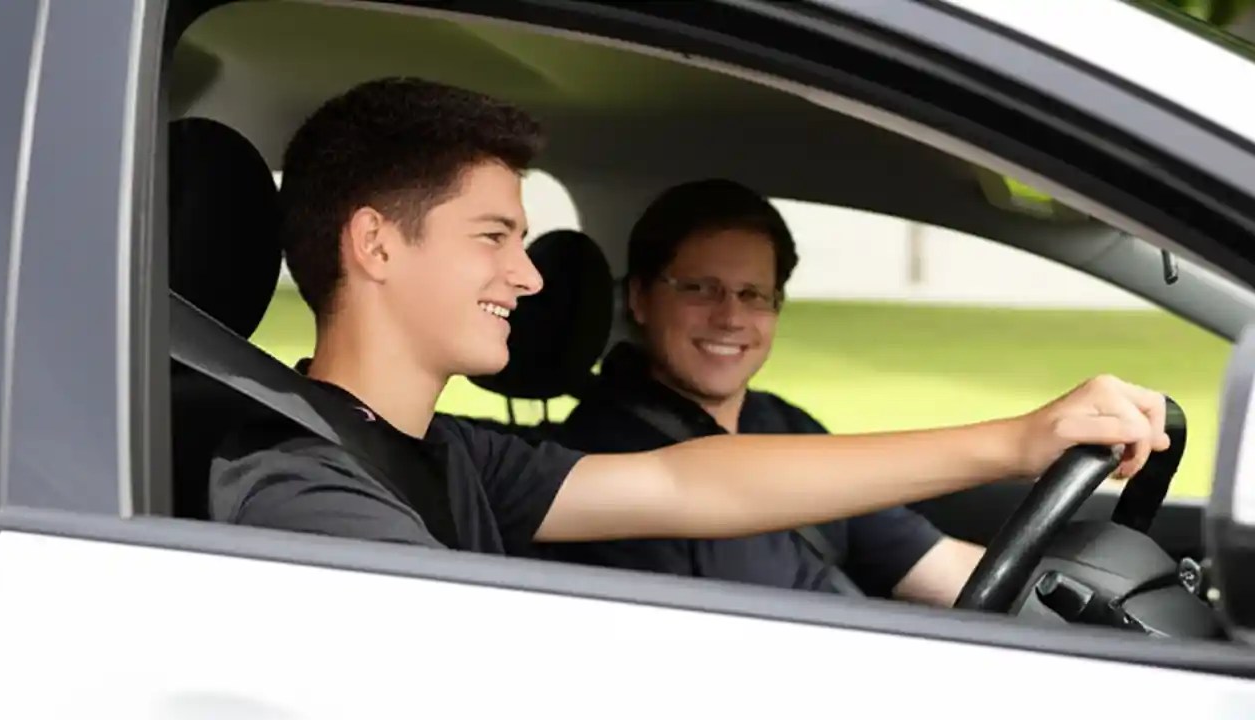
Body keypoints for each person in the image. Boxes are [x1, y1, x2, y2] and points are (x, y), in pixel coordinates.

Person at [209, 76, 1169, 567]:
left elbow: (687, 480)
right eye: (494, 236)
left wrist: (1019, 441)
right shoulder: (300, 490)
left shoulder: (453, 451)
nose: (528, 277)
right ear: (375, 244)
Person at [534, 179, 982, 605]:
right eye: (701, 289)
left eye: (753, 294)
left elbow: (932, 564)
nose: (731, 318)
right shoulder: (599, 467)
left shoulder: (784, 423)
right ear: (640, 298)